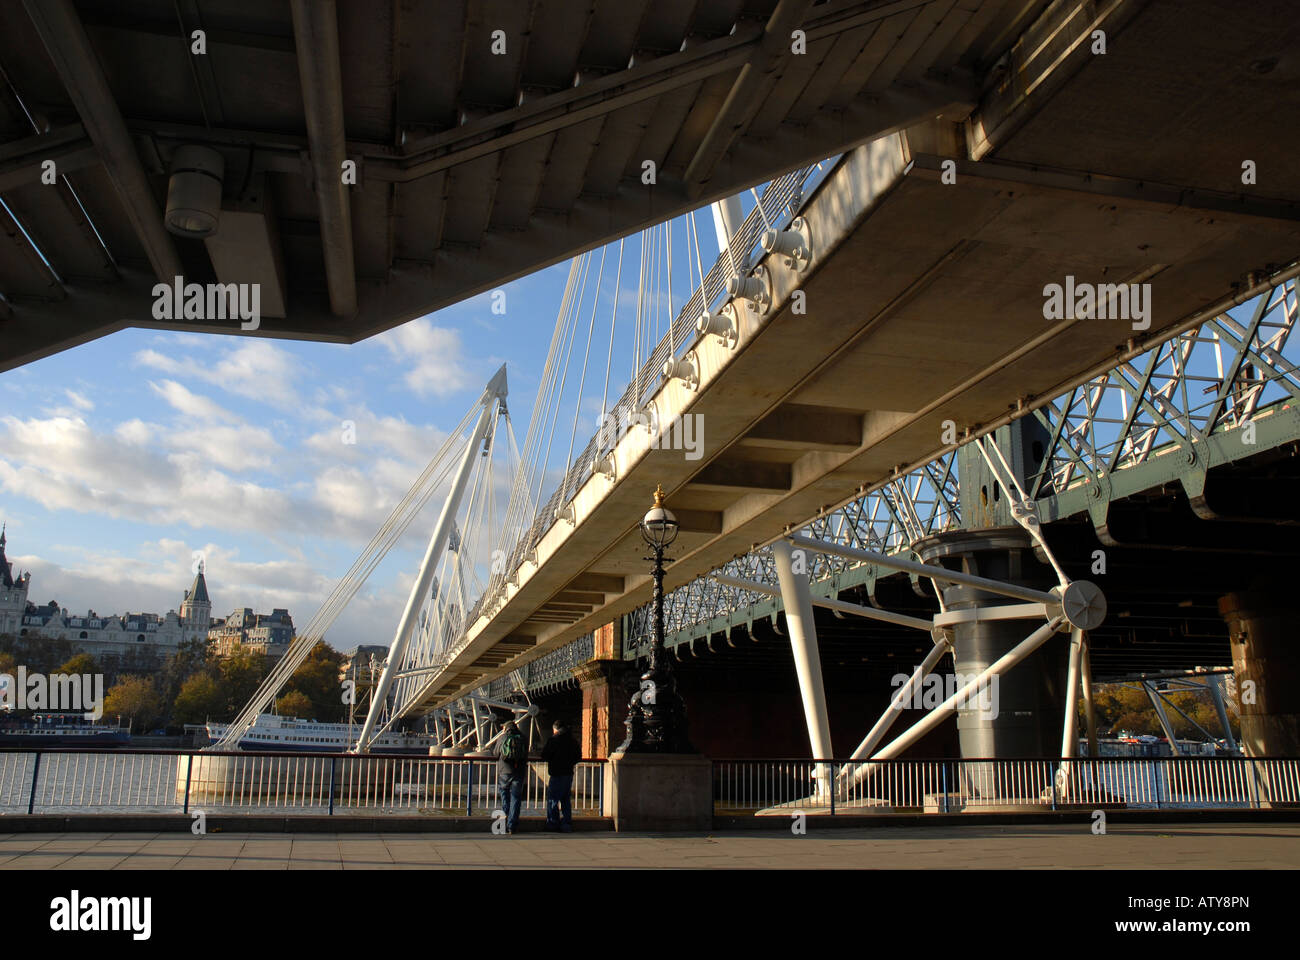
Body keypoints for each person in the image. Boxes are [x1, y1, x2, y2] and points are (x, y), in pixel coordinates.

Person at [541, 720, 580, 832]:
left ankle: (553, 824)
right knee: (565, 799)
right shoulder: (572, 741)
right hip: (568, 773)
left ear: (555, 729)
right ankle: (566, 824)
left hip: (556, 773)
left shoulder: (553, 740)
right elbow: (578, 757)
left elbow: (544, 755)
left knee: (552, 799)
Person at [496, 720, 527, 835]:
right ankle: (512, 826)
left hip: (504, 772)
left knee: (505, 796)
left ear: (505, 728)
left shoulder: (503, 737)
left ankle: (503, 823)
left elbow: (495, 753)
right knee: (516, 798)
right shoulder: (523, 738)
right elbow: (525, 755)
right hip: (518, 771)